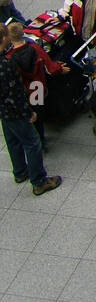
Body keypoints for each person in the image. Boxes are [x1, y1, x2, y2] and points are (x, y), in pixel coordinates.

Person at [0, 24, 62, 197]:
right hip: (18, 108)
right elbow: (15, 92)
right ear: (5, 39)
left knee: (12, 140)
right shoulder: (7, 63)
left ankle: (20, 172)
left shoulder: (9, 57)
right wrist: (28, 113)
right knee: (32, 142)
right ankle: (39, 182)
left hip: (3, 112)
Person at [6, 21, 69, 148]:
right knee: (38, 116)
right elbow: (50, 67)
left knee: (25, 116)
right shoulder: (34, 48)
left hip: (22, 92)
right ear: (23, 33)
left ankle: (27, 140)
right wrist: (60, 69)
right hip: (37, 87)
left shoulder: (9, 57)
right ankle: (41, 140)